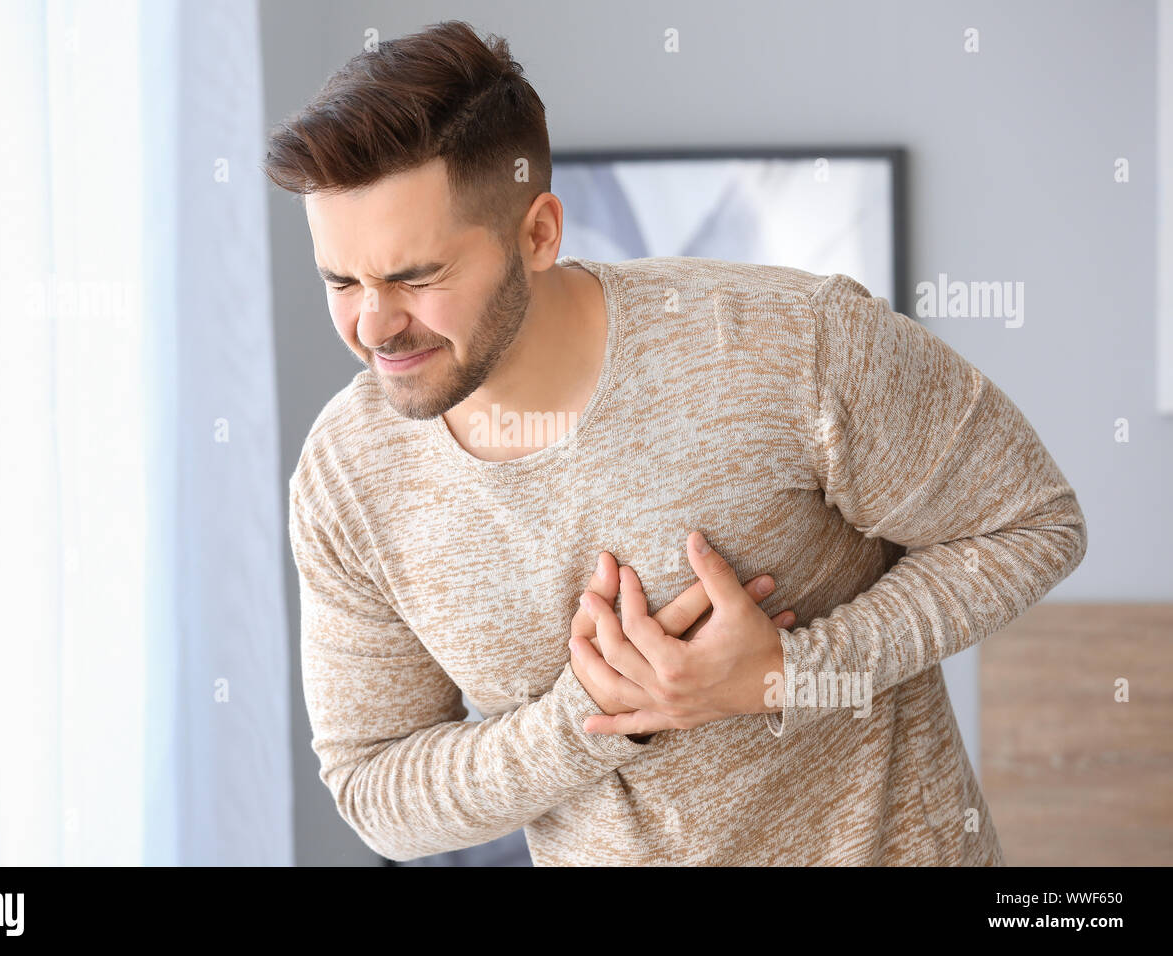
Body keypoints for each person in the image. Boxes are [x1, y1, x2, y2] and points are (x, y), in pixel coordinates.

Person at [263, 20, 1086, 865]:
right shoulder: (347, 475)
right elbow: (376, 793)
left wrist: (788, 674)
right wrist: (591, 715)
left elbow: (1035, 523)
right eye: (341, 281)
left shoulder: (794, 343)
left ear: (538, 233)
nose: (373, 324)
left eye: (415, 277)